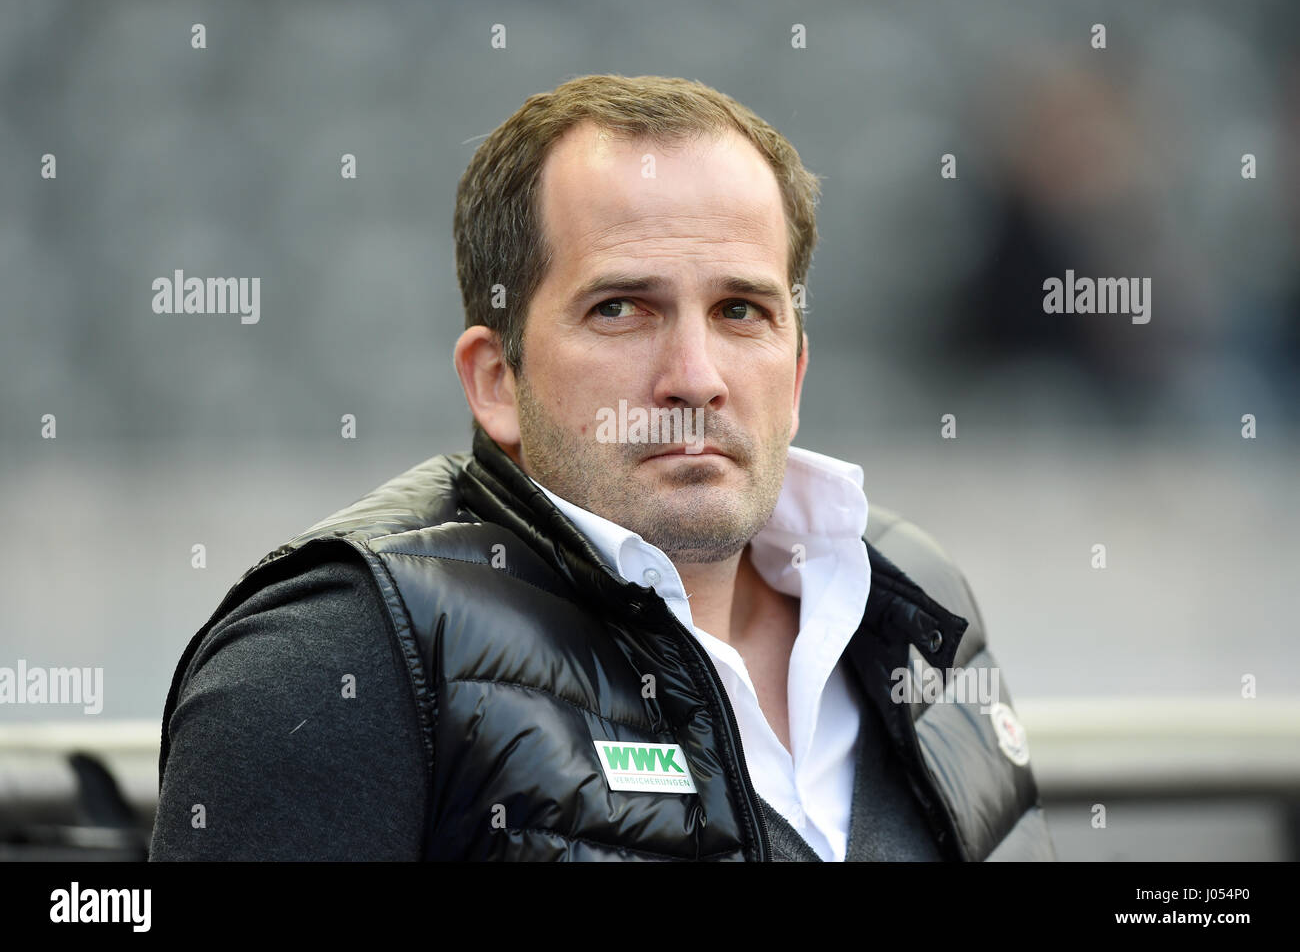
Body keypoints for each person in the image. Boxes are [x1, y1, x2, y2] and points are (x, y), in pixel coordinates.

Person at [151, 74, 1056, 862]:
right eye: (622, 308)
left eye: (742, 311)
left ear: (797, 369)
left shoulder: (911, 604)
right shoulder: (346, 652)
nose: (696, 377)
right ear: (496, 379)